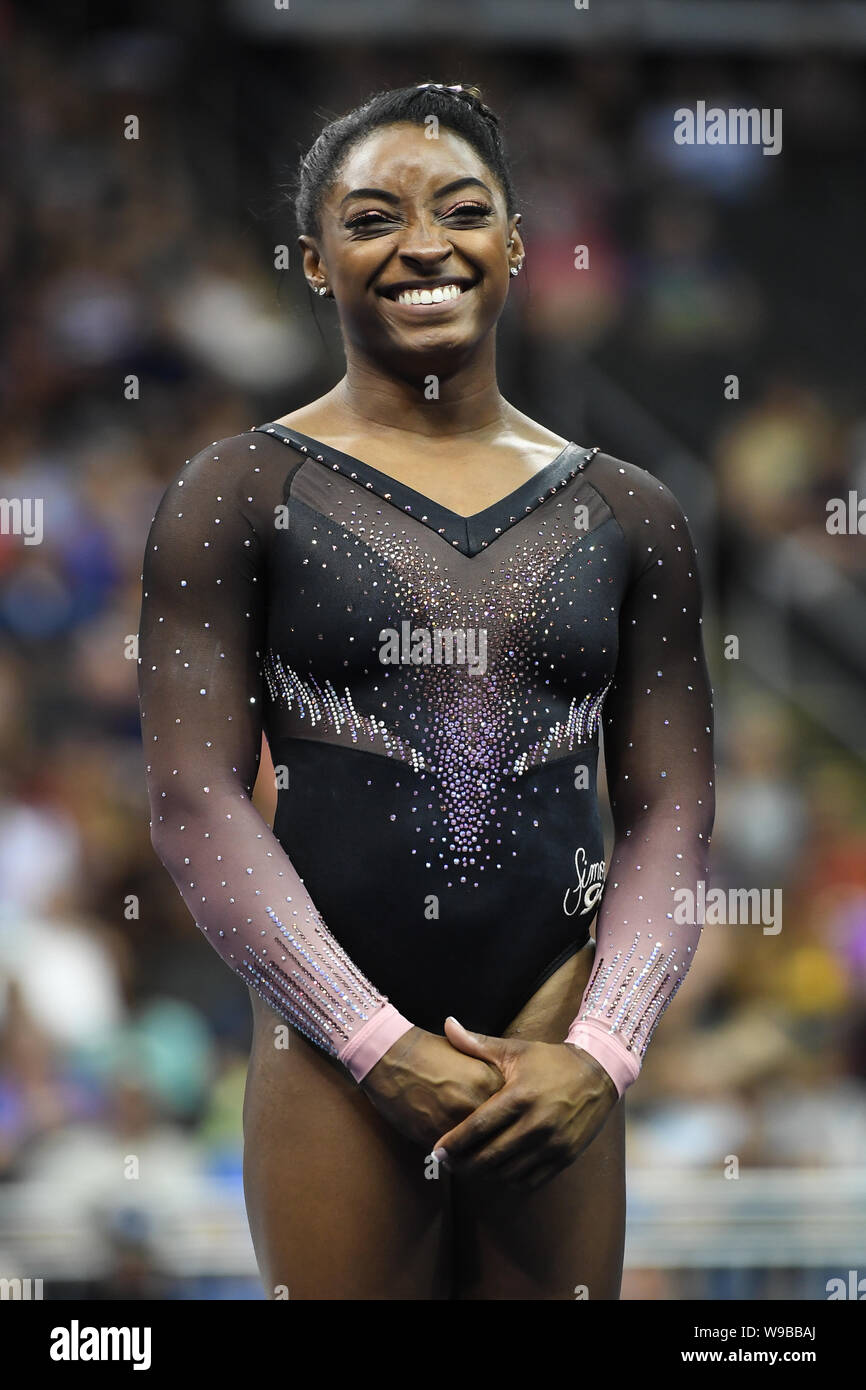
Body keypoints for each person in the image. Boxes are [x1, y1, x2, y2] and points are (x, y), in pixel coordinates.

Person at [137, 82, 715, 1300]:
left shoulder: (629, 513)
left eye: (460, 209)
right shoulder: (237, 493)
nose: (420, 244)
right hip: (330, 1046)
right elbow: (193, 802)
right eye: (368, 218)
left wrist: (603, 1049)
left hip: (549, 1046)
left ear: (513, 241)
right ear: (309, 260)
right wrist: (368, 1039)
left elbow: (671, 814)